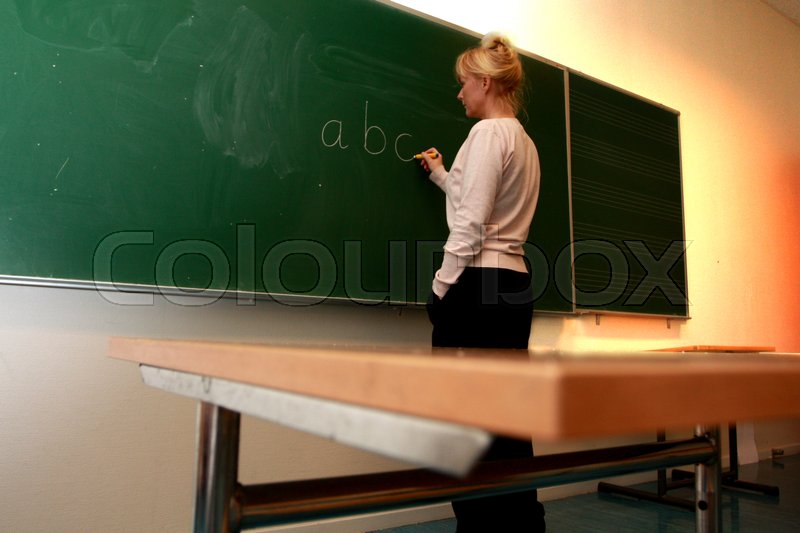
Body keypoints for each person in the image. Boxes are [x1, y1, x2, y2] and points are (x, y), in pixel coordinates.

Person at [418, 33, 546, 532]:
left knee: (464, 424)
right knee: (507, 425)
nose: (459, 94)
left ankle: (477, 529)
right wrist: (441, 175)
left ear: (485, 82)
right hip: (512, 289)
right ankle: (519, 526)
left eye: (463, 84)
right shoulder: (522, 140)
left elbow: (471, 224)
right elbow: (481, 202)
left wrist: (440, 287)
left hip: (477, 288)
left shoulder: (488, 135)